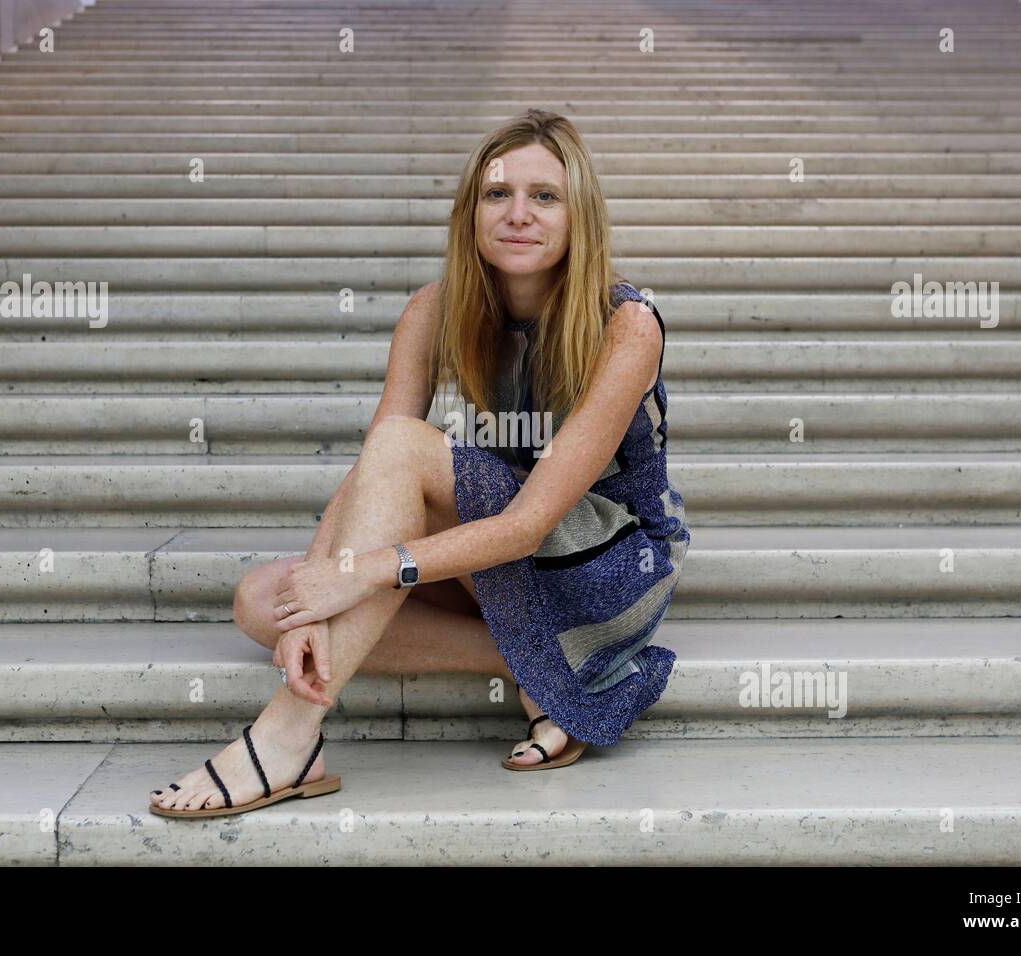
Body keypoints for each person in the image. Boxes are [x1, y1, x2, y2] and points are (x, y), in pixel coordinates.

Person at [149, 108, 689, 818]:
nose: (518, 214)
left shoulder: (626, 323)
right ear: (469, 214)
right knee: (262, 604)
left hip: (606, 565)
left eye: (544, 196)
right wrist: (316, 588)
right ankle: (545, 669)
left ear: (579, 215)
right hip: (503, 553)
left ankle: (287, 737)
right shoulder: (436, 311)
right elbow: (375, 466)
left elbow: (528, 522)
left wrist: (361, 573)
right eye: (497, 195)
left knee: (409, 450)